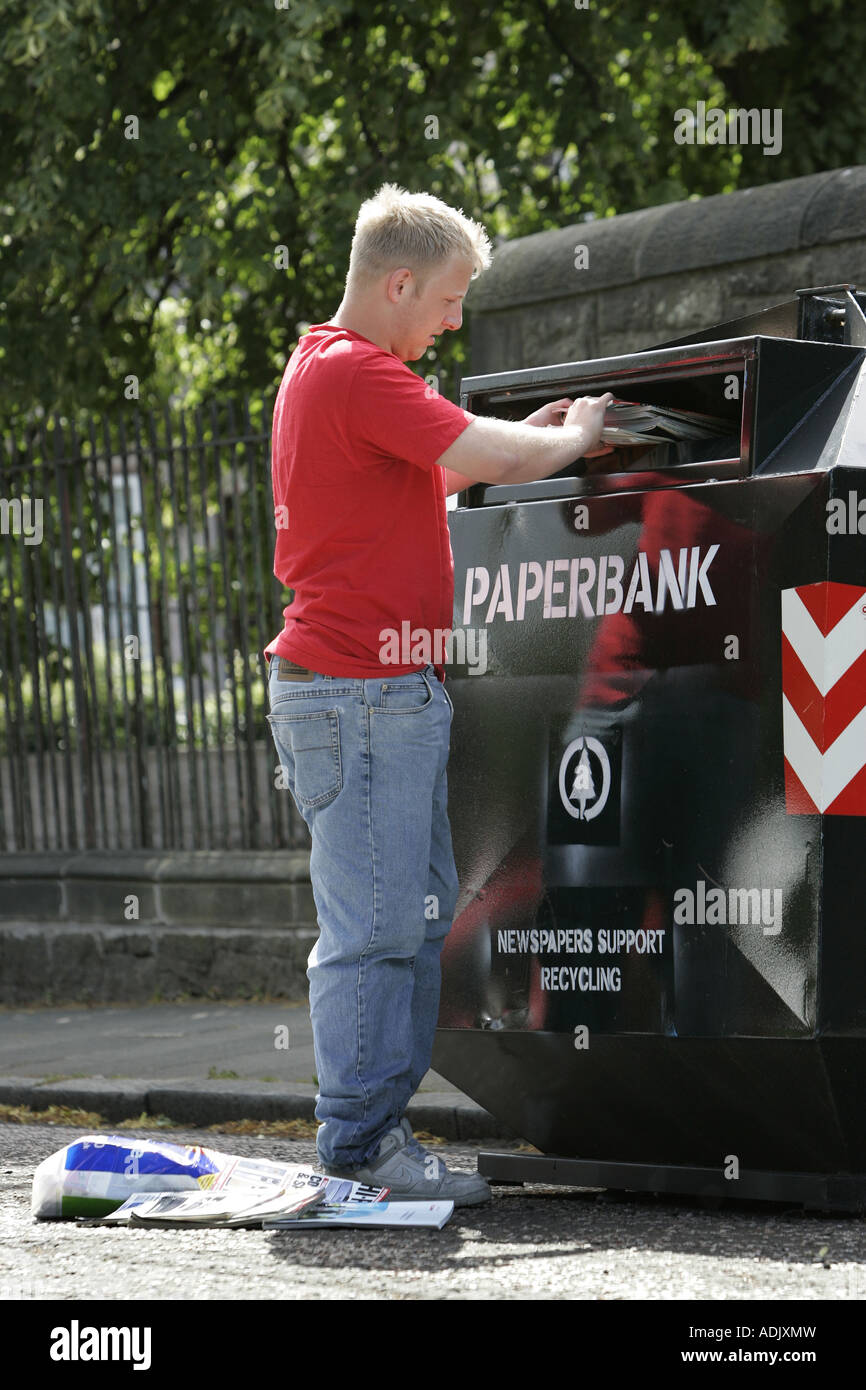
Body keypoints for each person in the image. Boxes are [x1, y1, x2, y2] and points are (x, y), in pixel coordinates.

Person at [264, 183, 612, 1206]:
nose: (454, 319)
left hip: (375, 694)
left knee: (408, 923)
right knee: (376, 930)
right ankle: (358, 1148)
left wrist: (526, 434)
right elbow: (478, 452)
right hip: (360, 696)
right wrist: (572, 439)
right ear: (400, 281)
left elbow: (437, 472)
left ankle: (373, 1140)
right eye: (450, 298)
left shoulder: (330, 375)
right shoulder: (354, 373)